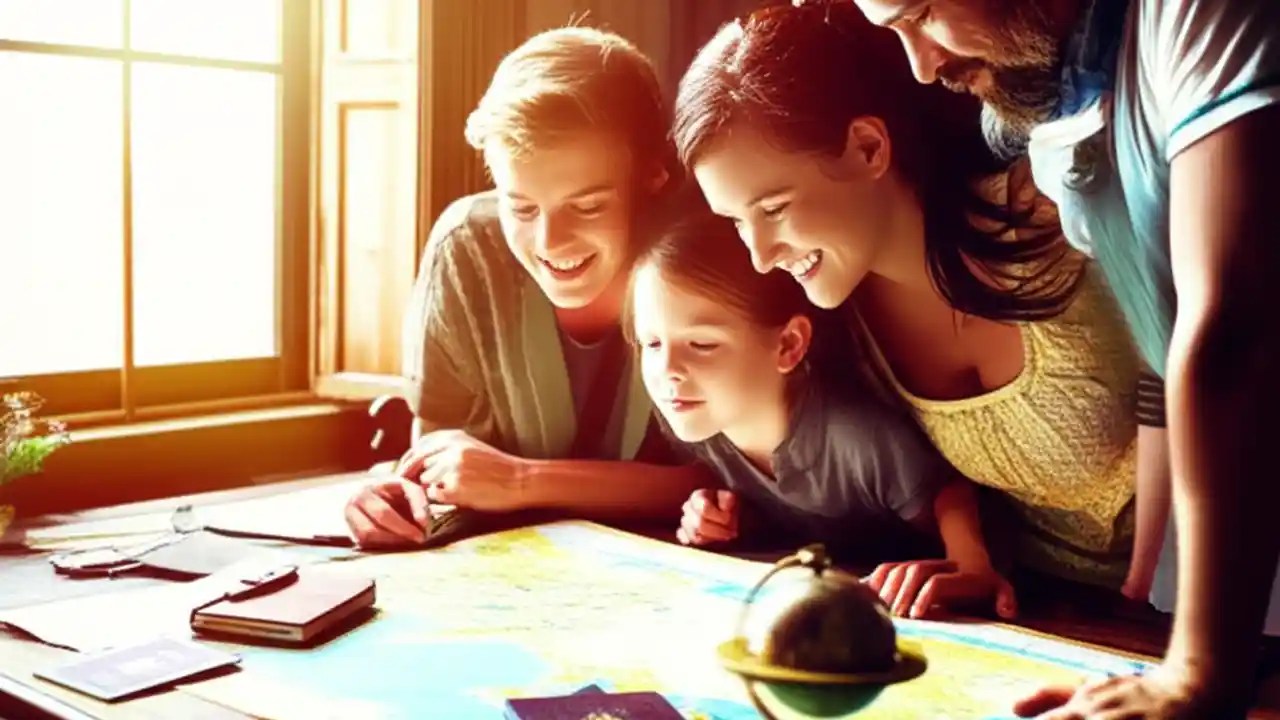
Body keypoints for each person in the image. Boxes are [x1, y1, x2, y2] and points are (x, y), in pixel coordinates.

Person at [851, 0, 1280, 715]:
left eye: (920, 13)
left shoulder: (1199, 14)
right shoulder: (1062, 96)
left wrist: (1198, 676)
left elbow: (1233, 330)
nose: (921, 66)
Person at [673, 2, 1171, 615]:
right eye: (736, 223)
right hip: (1038, 611)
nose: (760, 255)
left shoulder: (1048, 210)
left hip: (1202, 593)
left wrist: (1156, 587)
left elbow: (1198, 355)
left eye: (774, 208)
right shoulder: (833, 321)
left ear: (867, 147)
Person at [344, 26, 708, 548]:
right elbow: (436, 457)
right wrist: (390, 500)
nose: (550, 241)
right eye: (521, 207)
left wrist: (520, 480)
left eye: (588, 206)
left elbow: (730, 481)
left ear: (653, 177)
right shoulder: (466, 250)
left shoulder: (703, 251)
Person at [630, 189, 1016, 619]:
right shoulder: (703, 423)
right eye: (651, 343)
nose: (668, 369)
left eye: (701, 344)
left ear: (789, 344)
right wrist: (728, 518)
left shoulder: (852, 435)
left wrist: (970, 564)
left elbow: (947, 492)